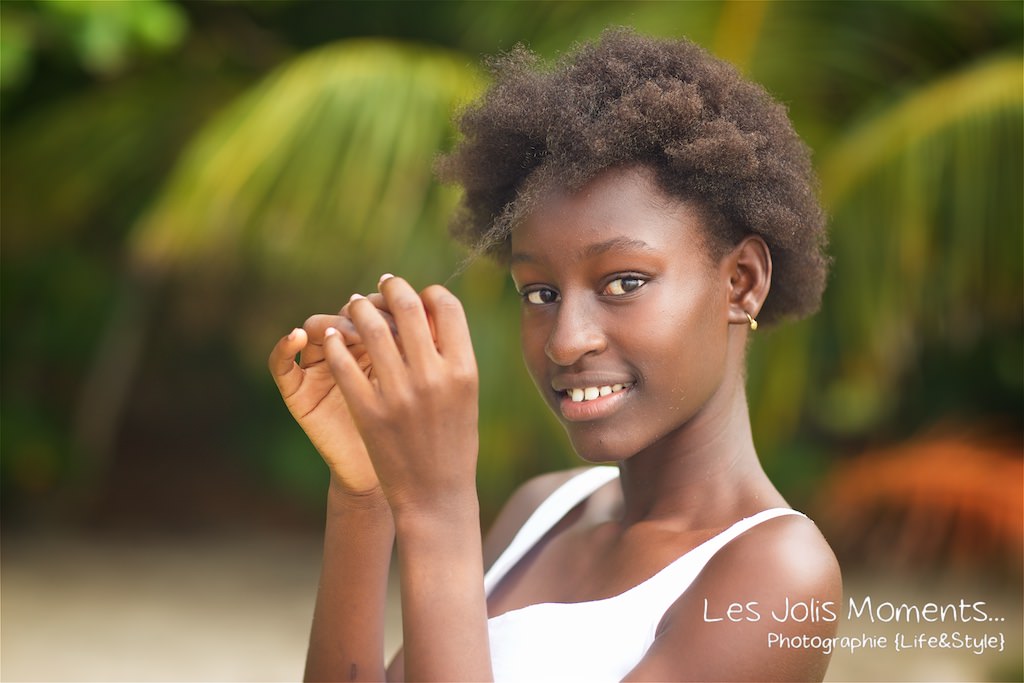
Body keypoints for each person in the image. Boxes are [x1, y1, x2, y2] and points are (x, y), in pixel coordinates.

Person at [269, 28, 842, 682]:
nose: (567, 339)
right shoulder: (543, 512)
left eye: (623, 283)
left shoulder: (778, 573)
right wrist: (364, 495)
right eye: (538, 291)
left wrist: (439, 510)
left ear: (742, 281)